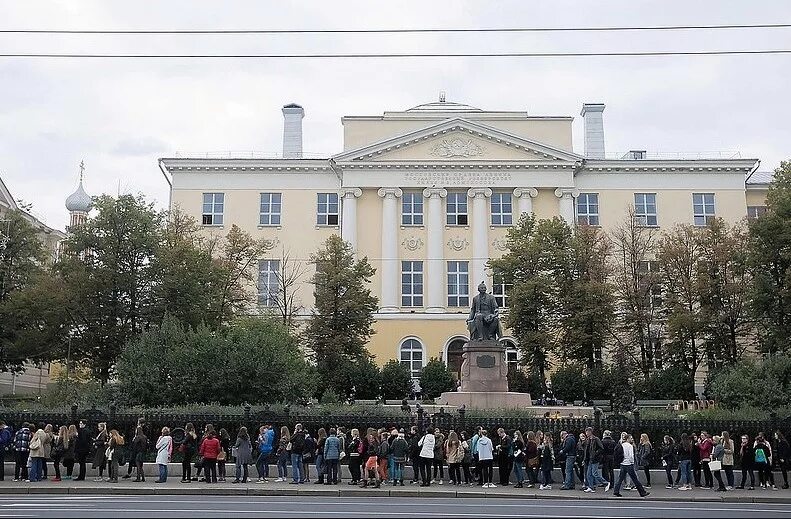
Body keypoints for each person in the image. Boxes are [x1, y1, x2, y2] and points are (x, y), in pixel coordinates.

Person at [612, 434, 650, 498]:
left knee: (620, 479)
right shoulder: (630, 446)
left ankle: (616, 491)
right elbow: (631, 456)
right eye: (631, 438)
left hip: (623, 464)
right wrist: (632, 462)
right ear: (628, 439)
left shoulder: (622, 445)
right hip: (629, 464)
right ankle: (642, 492)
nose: (632, 439)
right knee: (635, 479)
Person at [583, 427, 608, 493]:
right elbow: (586, 450)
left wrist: (596, 453)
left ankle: (606, 483)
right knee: (588, 474)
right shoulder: (588, 440)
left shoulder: (596, 439)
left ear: (590, 432)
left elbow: (601, 448)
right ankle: (591, 487)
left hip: (595, 459)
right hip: (590, 459)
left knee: (594, 473)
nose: (586, 433)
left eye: (587, 432)